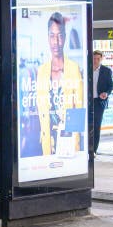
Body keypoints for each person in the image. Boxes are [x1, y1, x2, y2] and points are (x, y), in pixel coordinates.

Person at [35, 12, 84, 156]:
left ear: (65, 37)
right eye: (52, 36)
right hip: (48, 141)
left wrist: (76, 141)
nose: (56, 42)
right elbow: (40, 108)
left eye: (60, 36)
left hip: (68, 137)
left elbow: (78, 107)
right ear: (47, 38)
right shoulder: (42, 71)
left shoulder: (73, 68)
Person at [92, 50, 113, 155]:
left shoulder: (106, 71)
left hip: (99, 102)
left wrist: (106, 93)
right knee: (88, 125)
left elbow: (111, 86)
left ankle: (94, 150)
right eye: (94, 58)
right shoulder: (87, 69)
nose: (96, 61)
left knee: (96, 126)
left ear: (101, 59)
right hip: (87, 102)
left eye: (98, 59)